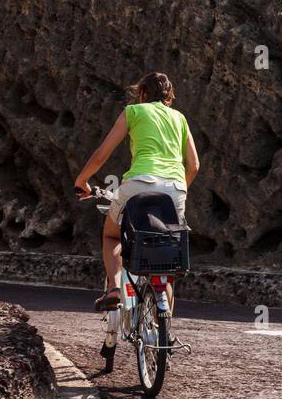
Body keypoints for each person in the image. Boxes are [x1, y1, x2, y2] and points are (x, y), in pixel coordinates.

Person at [75, 72, 198, 312]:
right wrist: (179, 191)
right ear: (169, 96)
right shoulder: (180, 118)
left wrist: (82, 180)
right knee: (164, 260)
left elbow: (102, 154)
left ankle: (114, 288)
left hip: (139, 184)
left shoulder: (134, 111)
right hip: (175, 189)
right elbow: (194, 166)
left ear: (141, 94)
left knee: (112, 235)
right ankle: (166, 333)